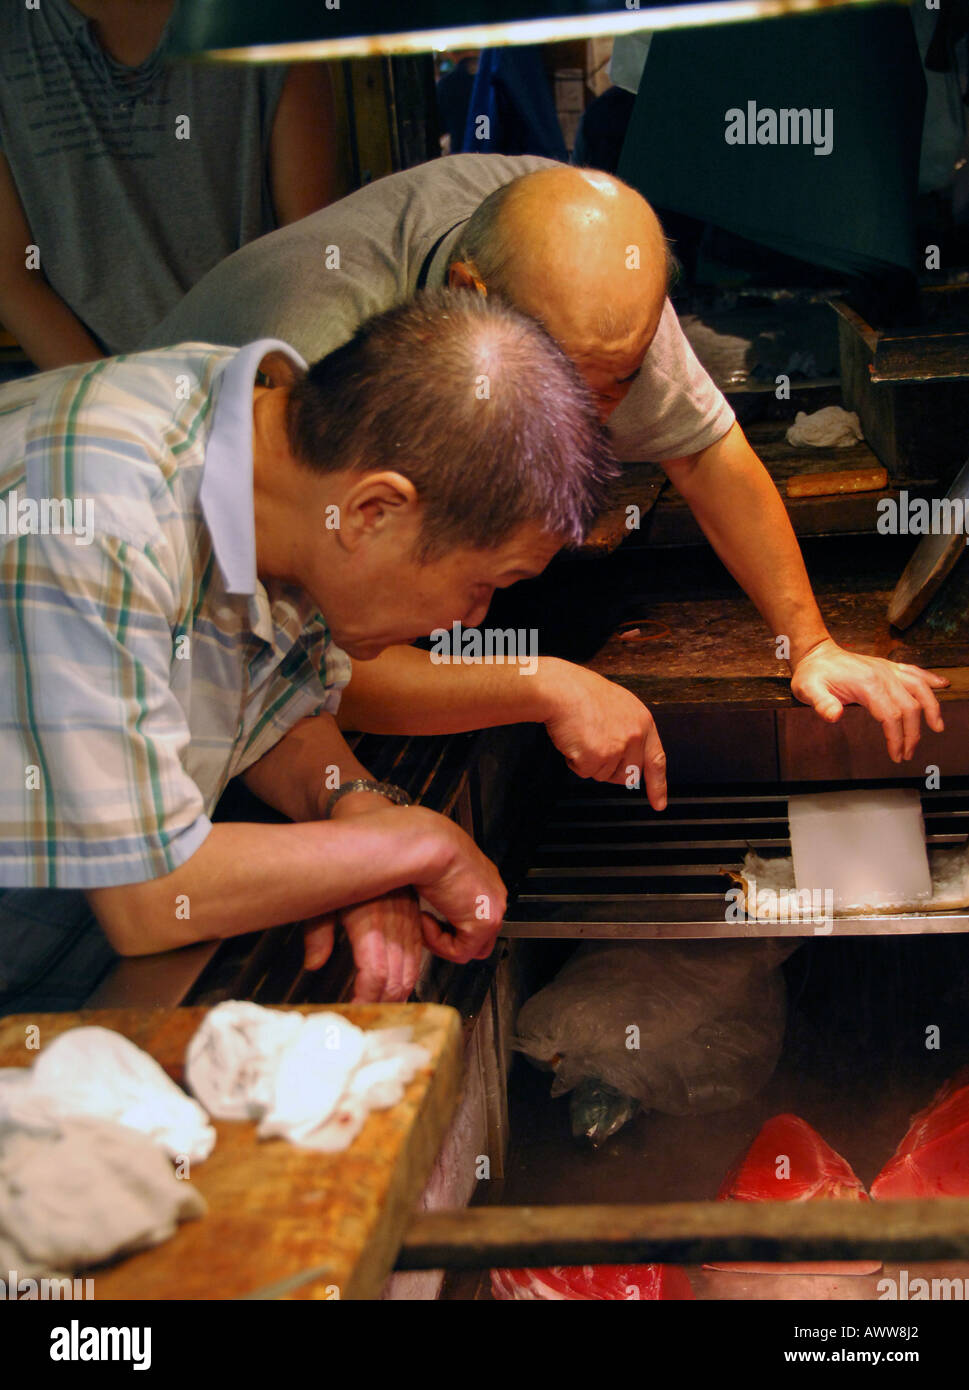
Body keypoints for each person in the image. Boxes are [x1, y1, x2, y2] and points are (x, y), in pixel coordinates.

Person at [147, 156, 948, 762]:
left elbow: (705, 452)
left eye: (619, 382)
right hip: (172, 612)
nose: (596, 415)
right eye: (570, 383)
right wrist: (540, 686)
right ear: (472, 295)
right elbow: (295, 662)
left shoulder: (601, 279)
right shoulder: (320, 354)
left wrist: (808, 645)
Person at [0, 290, 666, 1014]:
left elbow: (267, 703)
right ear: (372, 512)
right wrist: (418, 847)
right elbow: (149, 893)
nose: (469, 623)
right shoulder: (96, 513)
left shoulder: (274, 449)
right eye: (482, 585)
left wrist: (352, 805)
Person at [0, 0, 338, 369]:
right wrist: (120, 406)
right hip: (97, 397)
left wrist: (255, 395)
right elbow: (13, 278)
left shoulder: (274, 20)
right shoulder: (12, 34)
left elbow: (311, 253)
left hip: (259, 379)